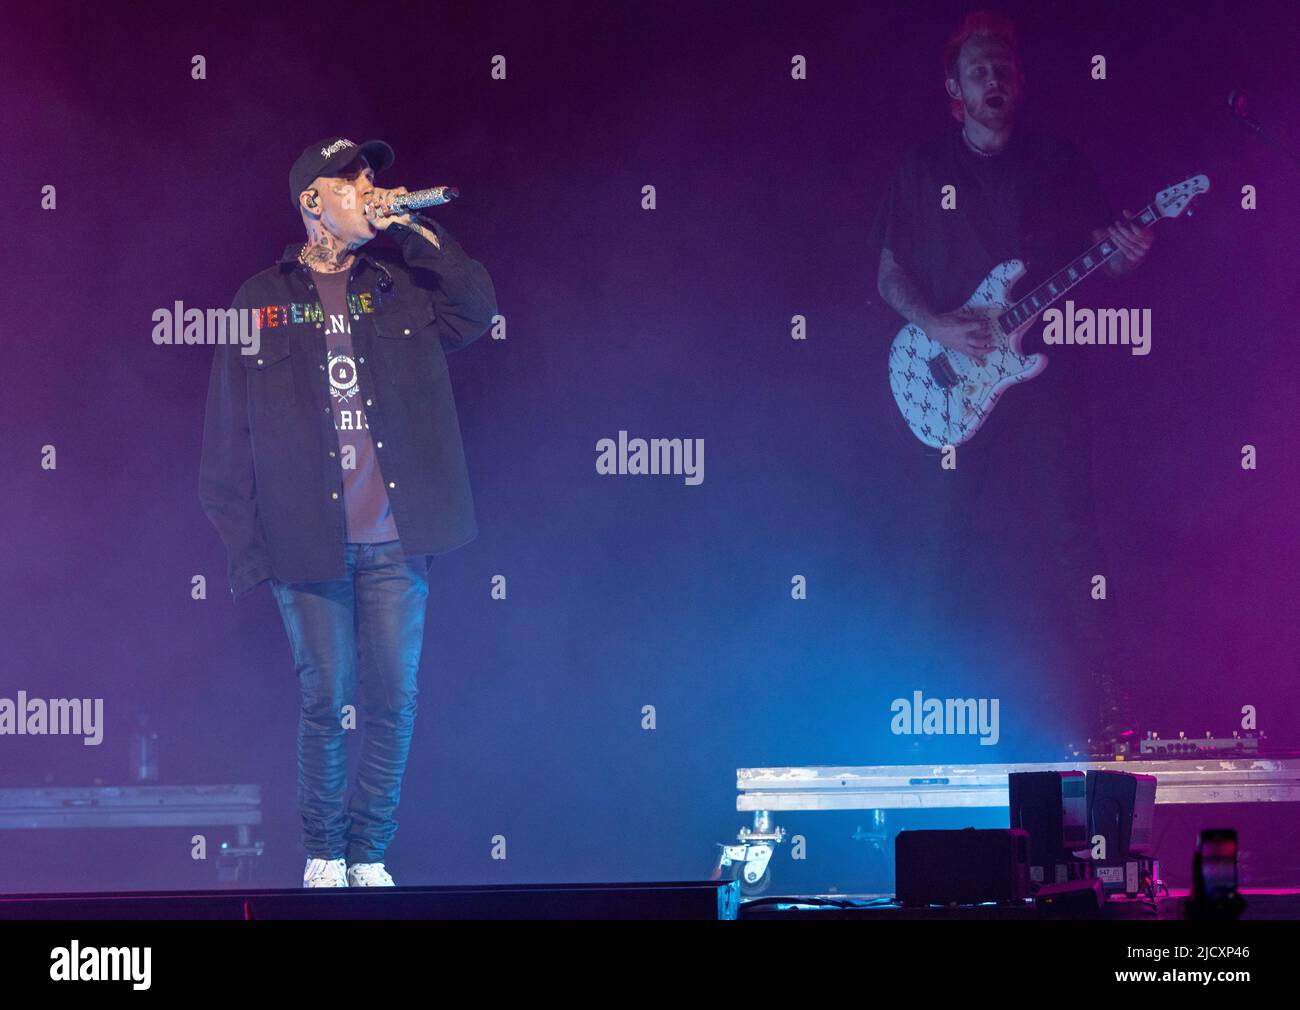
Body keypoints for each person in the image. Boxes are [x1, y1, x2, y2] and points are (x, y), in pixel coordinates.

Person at [199, 136, 497, 886]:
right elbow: (223, 442)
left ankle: (370, 855)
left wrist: (412, 226)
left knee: (394, 699)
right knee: (325, 701)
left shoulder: (397, 287)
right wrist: (252, 552)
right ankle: (325, 853)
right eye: (354, 177)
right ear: (312, 201)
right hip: (307, 544)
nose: (370, 187)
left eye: (375, 178)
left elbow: (477, 310)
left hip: (398, 539)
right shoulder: (258, 302)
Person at [869, 13, 1153, 752]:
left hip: (1042, 383)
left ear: (1018, 84)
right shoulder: (922, 170)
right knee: (939, 543)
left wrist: (1127, 248)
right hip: (950, 384)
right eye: (980, 70)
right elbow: (888, 272)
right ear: (955, 90)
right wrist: (935, 325)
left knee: (1072, 534)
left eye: (1004, 68)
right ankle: (916, 708)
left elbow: (1107, 257)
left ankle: (1110, 706)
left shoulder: (1059, 163)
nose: (994, 79)